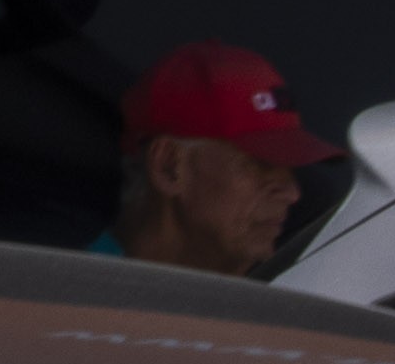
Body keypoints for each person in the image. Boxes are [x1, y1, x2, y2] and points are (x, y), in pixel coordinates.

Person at [105, 42, 339, 276]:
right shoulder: (76, 291)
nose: (292, 193)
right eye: (260, 164)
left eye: (290, 167)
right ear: (169, 166)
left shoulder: (267, 304)